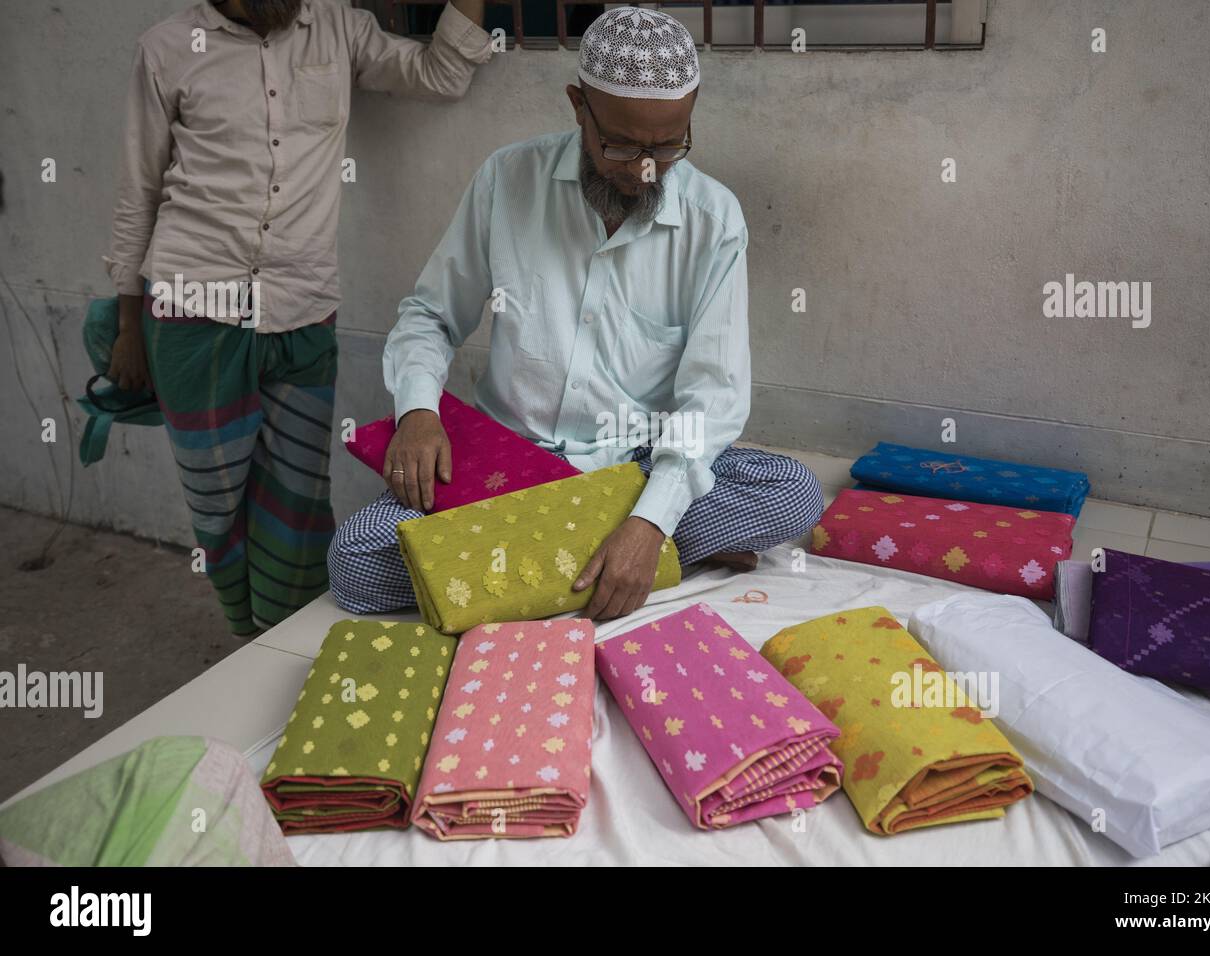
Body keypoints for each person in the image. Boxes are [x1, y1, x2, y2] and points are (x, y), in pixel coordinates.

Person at [329, 7, 822, 621]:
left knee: (792, 493)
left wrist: (646, 521)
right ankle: (643, 559)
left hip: (631, 466)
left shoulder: (713, 220)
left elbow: (711, 402)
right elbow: (430, 314)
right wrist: (419, 412)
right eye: (621, 145)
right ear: (577, 106)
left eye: (667, 147)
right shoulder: (507, 181)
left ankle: (540, 568)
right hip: (504, 461)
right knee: (354, 561)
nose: (644, 170)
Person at [103, 0, 493, 635]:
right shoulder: (167, 47)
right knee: (217, 504)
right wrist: (128, 325)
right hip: (192, 310)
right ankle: (247, 632)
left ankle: (286, 644)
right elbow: (139, 187)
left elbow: (440, 74)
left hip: (303, 311)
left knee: (299, 500)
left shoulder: (339, 27)